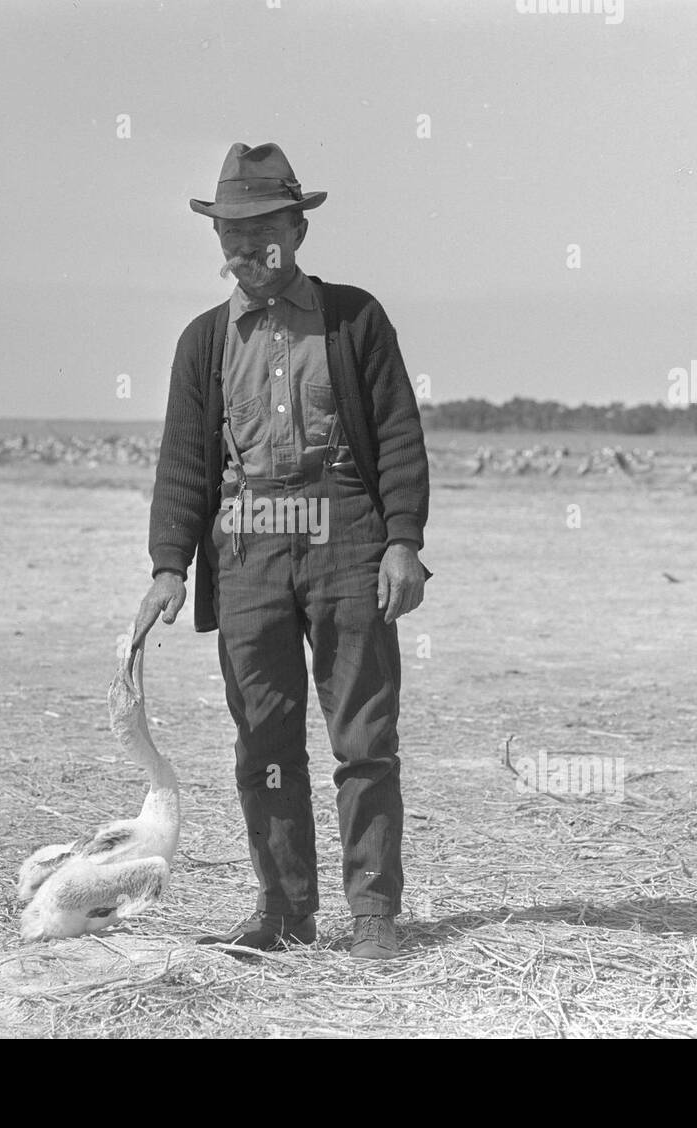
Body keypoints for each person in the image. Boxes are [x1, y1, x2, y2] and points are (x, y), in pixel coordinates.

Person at [132, 142, 430, 959]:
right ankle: (284, 914)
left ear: (296, 231)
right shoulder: (202, 343)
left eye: (259, 229)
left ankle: (374, 914)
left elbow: (400, 437)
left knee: (364, 738)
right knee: (264, 741)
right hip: (248, 546)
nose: (241, 249)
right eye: (227, 233)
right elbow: (186, 461)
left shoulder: (354, 318)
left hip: (347, 535)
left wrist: (403, 542)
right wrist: (169, 566)